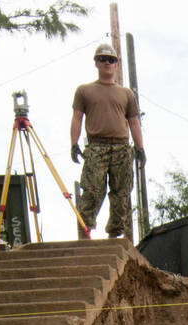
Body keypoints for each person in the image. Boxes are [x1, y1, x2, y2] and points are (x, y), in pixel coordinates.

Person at [70, 42, 145, 239]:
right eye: (102, 59)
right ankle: (85, 236)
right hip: (96, 147)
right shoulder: (84, 91)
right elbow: (77, 117)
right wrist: (74, 144)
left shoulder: (126, 94)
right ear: (96, 62)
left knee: (121, 195)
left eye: (111, 60)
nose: (107, 63)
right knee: (92, 192)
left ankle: (114, 237)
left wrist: (140, 148)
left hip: (121, 147)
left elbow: (134, 123)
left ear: (116, 64)